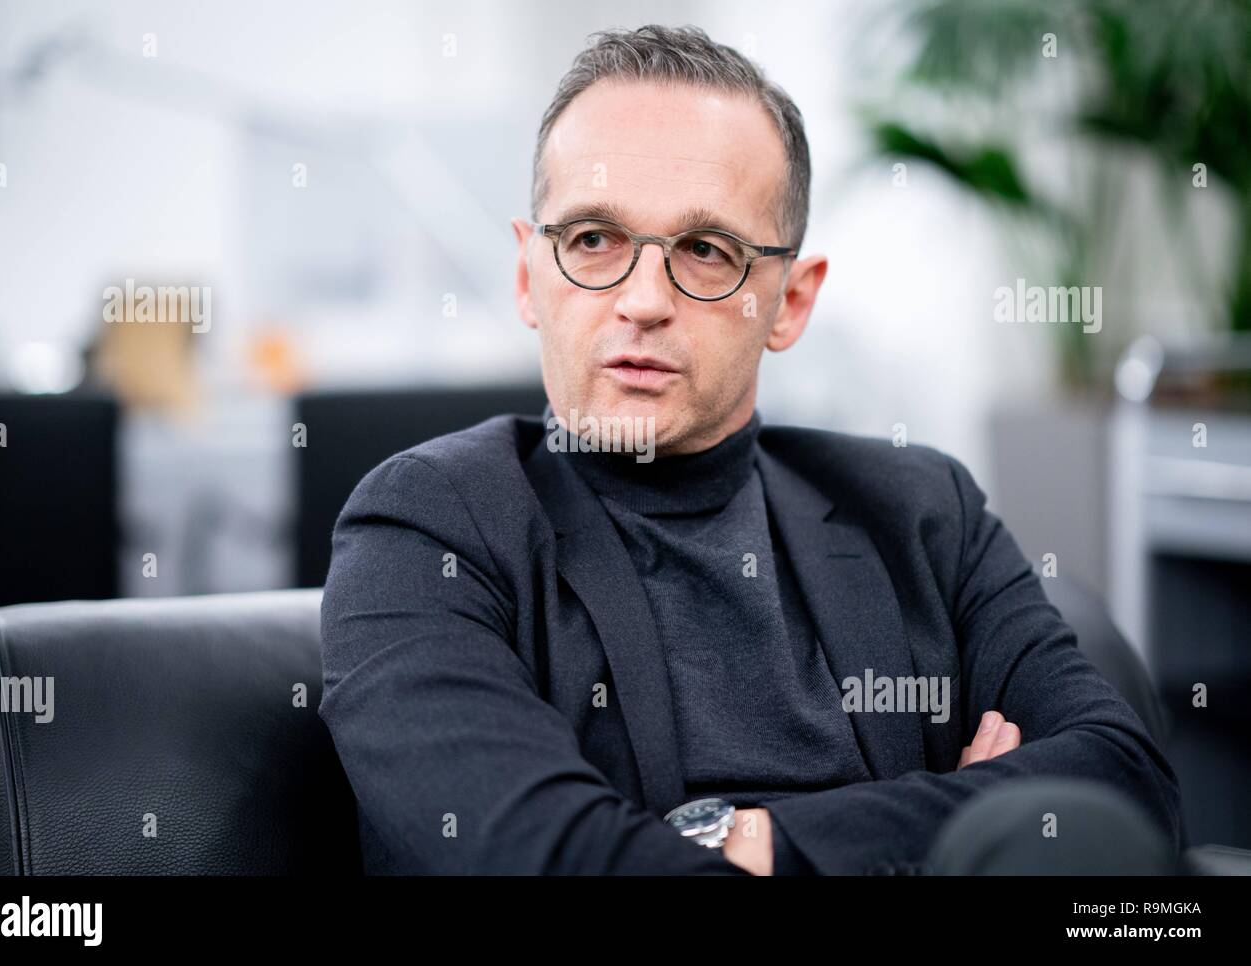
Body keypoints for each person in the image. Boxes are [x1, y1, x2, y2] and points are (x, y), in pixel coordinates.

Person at [317, 24, 1182, 875]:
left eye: (704, 251)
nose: (643, 299)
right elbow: (547, 854)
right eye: (593, 240)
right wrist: (951, 828)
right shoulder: (426, 530)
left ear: (791, 302)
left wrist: (754, 843)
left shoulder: (923, 510)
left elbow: (1125, 785)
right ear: (525, 277)